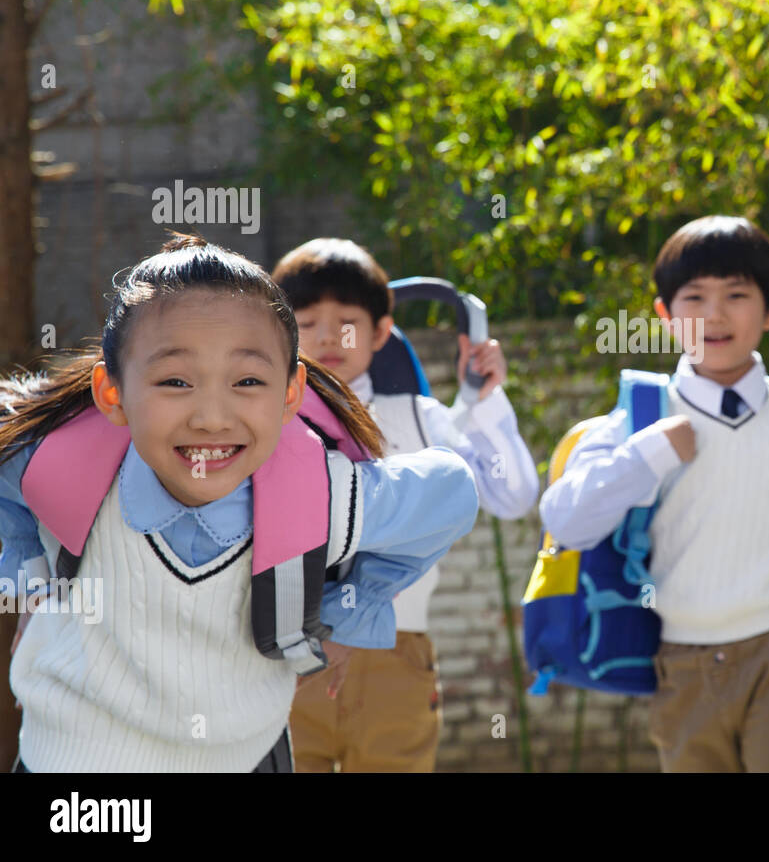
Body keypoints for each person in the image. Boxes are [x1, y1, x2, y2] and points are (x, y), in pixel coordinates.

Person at [0, 234, 479, 772]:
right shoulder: (62, 463)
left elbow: (453, 492)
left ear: (290, 394)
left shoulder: (318, 495)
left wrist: (350, 609)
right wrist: (29, 579)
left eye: (247, 380)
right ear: (112, 394)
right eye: (175, 380)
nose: (213, 416)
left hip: (245, 756)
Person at [540, 216, 769, 772]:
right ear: (665, 316)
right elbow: (567, 521)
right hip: (683, 661)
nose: (715, 314)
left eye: (736, 294)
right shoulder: (640, 419)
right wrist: (648, 453)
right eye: (694, 296)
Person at [273, 238, 538, 772]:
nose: (328, 335)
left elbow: (513, 495)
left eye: (347, 320)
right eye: (306, 320)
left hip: (393, 655)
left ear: (381, 332)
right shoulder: (259, 419)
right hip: (278, 659)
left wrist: (484, 398)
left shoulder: (420, 418)